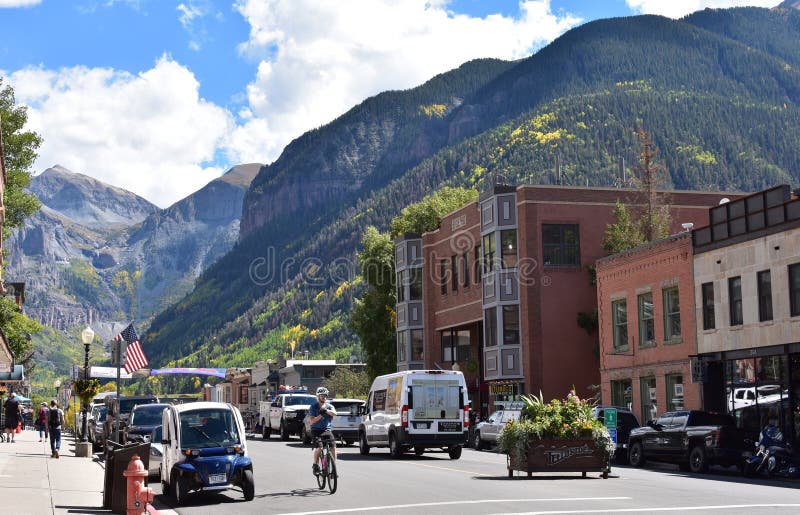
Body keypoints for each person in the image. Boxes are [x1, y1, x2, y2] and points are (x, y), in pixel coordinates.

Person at [308, 387, 337, 475]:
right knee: (320, 448)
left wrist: (326, 411)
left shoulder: (329, 406)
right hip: (316, 430)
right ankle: (315, 465)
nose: (323, 397)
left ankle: (333, 468)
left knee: (333, 447)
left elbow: (335, 414)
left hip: (327, 430)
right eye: (321, 396)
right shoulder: (313, 407)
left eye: (325, 396)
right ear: (318, 396)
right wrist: (321, 414)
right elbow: (312, 421)